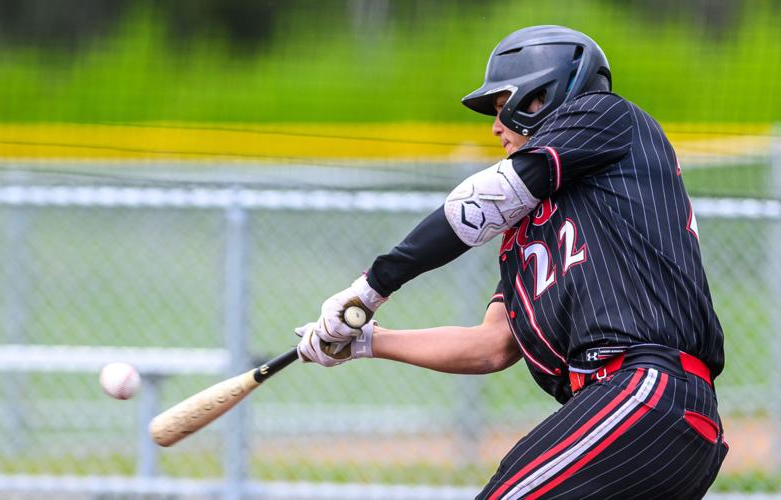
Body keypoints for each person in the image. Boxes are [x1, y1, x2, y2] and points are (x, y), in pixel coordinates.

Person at [296, 25, 728, 499]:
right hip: (641, 416)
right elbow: (492, 345)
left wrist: (370, 287)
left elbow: (480, 202)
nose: (495, 127)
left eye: (504, 108)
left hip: (643, 392)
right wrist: (368, 341)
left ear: (543, 95)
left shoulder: (605, 115)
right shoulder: (531, 226)